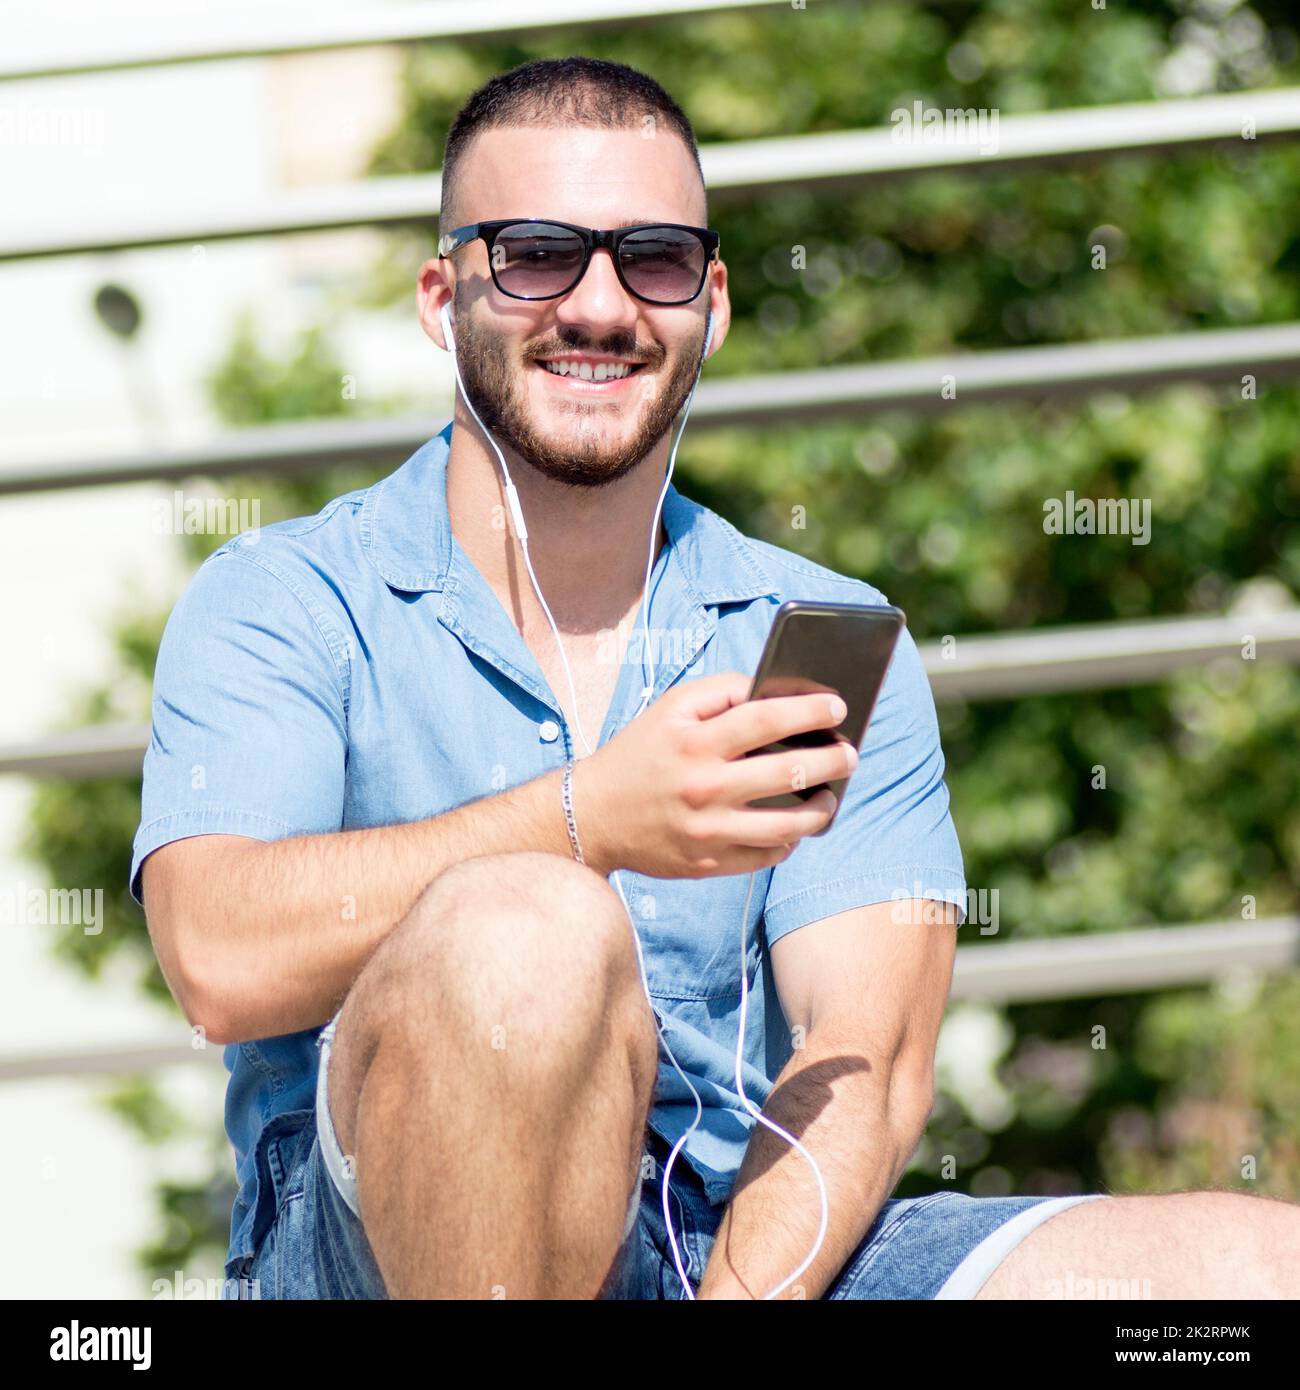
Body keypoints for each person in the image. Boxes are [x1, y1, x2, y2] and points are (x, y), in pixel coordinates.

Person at [133, 56, 1300, 1300]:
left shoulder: (820, 633)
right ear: (440, 294)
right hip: (375, 1256)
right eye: (535, 253)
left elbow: (869, 1049)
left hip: (733, 1250)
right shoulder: (282, 598)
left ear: (714, 301)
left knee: (1246, 1270)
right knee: (526, 931)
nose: (597, 305)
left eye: (654, 258)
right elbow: (216, 952)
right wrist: (589, 819)